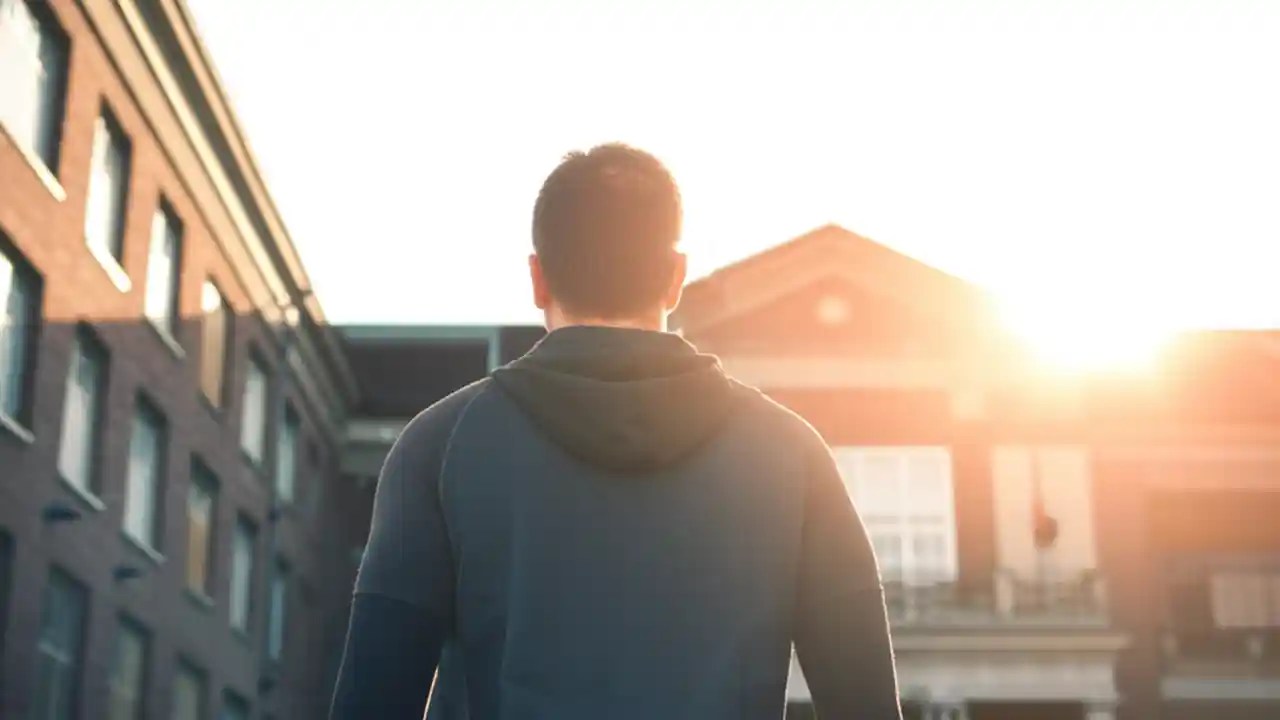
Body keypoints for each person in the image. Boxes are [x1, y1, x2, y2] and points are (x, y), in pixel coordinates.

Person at [330, 144, 901, 719]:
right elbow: (867, 707)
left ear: (537, 278)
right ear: (676, 277)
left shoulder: (438, 445)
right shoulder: (792, 453)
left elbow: (372, 703)